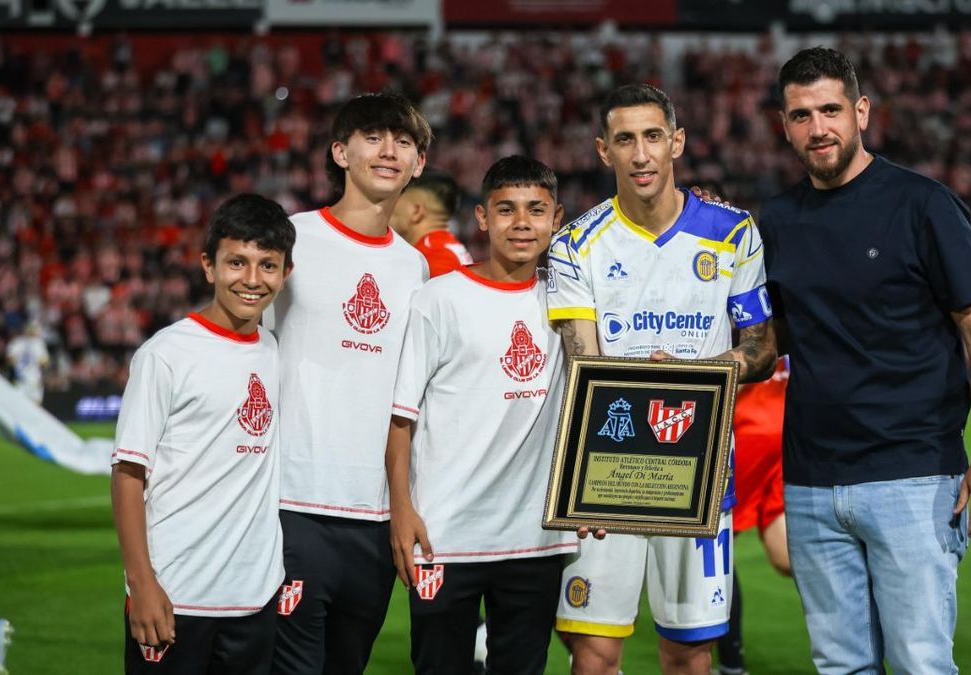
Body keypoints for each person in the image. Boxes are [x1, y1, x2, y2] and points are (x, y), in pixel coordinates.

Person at [758, 47, 971, 674]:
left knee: (921, 662)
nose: (818, 128)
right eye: (801, 115)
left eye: (830, 110)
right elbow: (771, 339)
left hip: (913, 477)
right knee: (840, 667)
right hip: (813, 482)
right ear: (782, 125)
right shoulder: (777, 220)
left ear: (861, 111)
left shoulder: (922, 204)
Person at [547, 84, 777, 675]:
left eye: (653, 137)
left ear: (677, 141)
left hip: (698, 469)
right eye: (625, 139)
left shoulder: (733, 232)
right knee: (594, 654)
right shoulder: (575, 245)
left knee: (688, 652)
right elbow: (581, 363)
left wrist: (690, 377)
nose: (642, 154)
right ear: (604, 151)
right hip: (607, 470)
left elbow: (761, 349)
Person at [386, 155, 576, 674]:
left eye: (536, 210)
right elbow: (400, 419)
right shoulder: (438, 300)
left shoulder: (571, 306)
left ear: (556, 219)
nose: (522, 223)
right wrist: (401, 511)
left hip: (535, 538)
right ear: (482, 218)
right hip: (444, 533)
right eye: (507, 210)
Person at [269, 92, 432, 675]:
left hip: (375, 515)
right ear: (340, 151)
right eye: (372, 137)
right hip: (292, 503)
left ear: (418, 166)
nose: (389, 151)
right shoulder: (291, 239)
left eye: (405, 142)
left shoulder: (415, 268)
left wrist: (403, 504)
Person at [110, 193, 295, 674]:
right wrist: (142, 583)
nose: (252, 280)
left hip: (253, 598)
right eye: (237, 262)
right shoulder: (166, 354)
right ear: (208, 266)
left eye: (267, 265)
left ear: (285, 274)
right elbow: (129, 475)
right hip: (175, 594)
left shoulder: (275, 351)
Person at [716, 348, 793, 675]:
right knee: (718, 554)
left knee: (787, 557)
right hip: (740, 440)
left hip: (785, 442)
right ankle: (732, 664)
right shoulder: (743, 309)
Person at [390, 170, 475, 277]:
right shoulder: (442, 249)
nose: (387, 207)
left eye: (395, 198)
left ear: (416, 212)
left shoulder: (433, 259)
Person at [6, 321, 49, 404]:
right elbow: (45, 363)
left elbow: (10, 360)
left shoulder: (16, 342)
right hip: (30, 381)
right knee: (31, 407)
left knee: (21, 406)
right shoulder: (38, 343)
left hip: (23, 380)